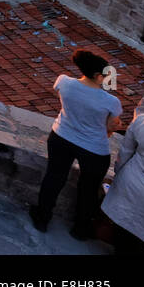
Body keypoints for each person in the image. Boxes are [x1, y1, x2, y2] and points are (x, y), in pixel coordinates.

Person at [29, 48, 123, 239]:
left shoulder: (64, 82)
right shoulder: (111, 102)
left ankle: (42, 218)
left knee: (54, 178)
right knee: (88, 189)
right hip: (94, 148)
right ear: (97, 75)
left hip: (62, 136)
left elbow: (65, 102)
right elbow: (111, 126)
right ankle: (80, 229)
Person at [100, 99, 144, 254]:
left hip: (131, 183)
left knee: (123, 234)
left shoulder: (142, 122)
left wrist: (118, 178)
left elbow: (124, 155)